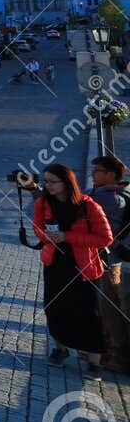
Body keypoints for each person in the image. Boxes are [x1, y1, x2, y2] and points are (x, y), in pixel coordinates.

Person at [30, 163, 114, 372]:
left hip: (83, 266)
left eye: (52, 181)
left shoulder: (88, 205)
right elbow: (37, 228)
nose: (47, 185)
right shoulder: (43, 204)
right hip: (55, 264)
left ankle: (94, 361)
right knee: (55, 309)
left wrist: (67, 237)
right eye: (45, 181)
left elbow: (105, 238)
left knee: (89, 313)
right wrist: (46, 236)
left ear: (67, 182)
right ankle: (60, 349)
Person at [87, 154, 130, 372]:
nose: (93, 174)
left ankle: (115, 357)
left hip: (106, 260)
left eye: (97, 171)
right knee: (111, 307)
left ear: (111, 175)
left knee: (108, 310)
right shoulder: (122, 191)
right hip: (114, 260)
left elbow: (108, 232)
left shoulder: (107, 197)